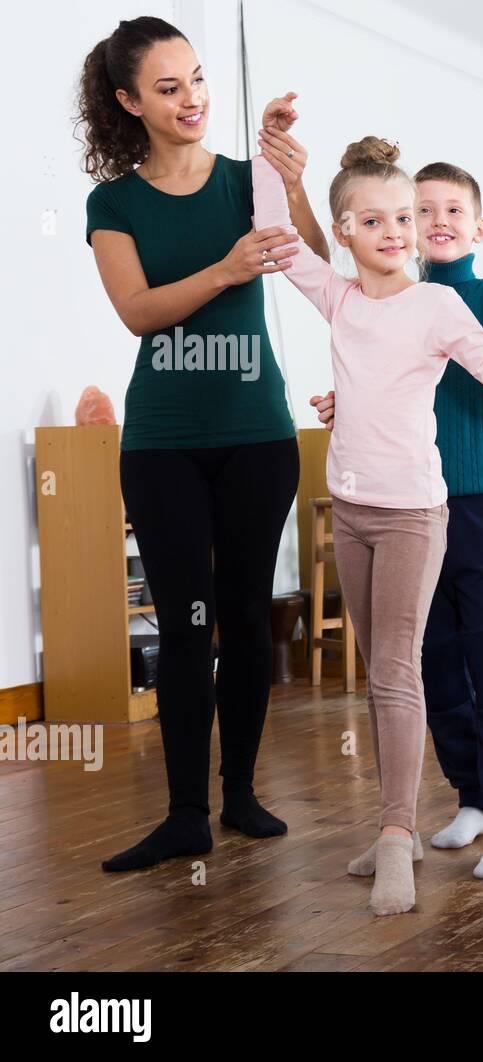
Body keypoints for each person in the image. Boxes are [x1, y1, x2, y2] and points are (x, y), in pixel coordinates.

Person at [252, 136, 483, 912]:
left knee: (394, 672)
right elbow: (274, 236)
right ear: (344, 231)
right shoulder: (339, 298)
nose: (395, 231)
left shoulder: (439, 304)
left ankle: (395, 835)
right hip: (349, 511)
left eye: (402, 219)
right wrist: (267, 149)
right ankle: (425, 821)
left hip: (419, 514)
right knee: (397, 668)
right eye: (375, 220)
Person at [80, 18, 327, 872]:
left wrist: (295, 188)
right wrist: (225, 269)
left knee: (247, 616)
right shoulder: (114, 202)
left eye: (197, 80)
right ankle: (185, 814)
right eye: (168, 88)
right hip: (164, 445)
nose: (192, 101)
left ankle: (241, 795)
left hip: (258, 437)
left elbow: (325, 271)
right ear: (129, 102)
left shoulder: (248, 182)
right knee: (187, 625)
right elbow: (138, 311)